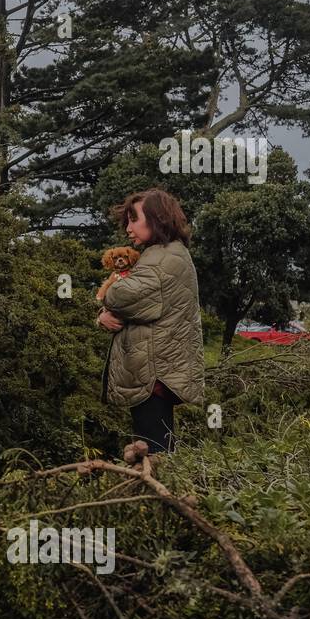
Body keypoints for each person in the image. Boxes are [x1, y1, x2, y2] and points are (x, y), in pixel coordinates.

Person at [98, 188, 205, 453]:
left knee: (155, 453)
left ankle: (163, 494)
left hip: (154, 375)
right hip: (156, 371)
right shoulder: (165, 253)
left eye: (134, 219)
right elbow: (135, 305)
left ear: (157, 219)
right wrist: (104, 316)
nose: (128, 228)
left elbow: (120, 295)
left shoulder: (162, 259)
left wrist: (106, 303)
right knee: (156, 447)